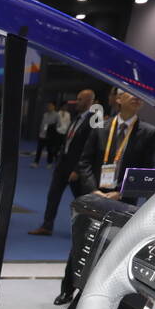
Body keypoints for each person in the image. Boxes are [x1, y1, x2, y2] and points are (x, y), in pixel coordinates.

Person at [54, 88, 155, 303]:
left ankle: (97, 295)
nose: (136, 97)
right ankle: (67, 288)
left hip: (123, 201)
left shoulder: (149, 132)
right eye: (130, 92)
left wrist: (121, 193)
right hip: (95, 197)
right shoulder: (100, 128)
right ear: (119, 99)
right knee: (82, 243)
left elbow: (145, 171)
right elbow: (84, 161)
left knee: (114, 248)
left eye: (140, 94)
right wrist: (94, 190)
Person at [28, 88, 98, 238]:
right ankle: (47, 226)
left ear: (88, 101)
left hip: (76, 169)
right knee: (53, 196)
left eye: (79, 99)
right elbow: (69, 141)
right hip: (62, 165)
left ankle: (85, 230)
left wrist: (78, 170)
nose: (76, 102)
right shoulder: (76, 118)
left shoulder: (93, 121)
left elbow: (87, 149)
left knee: (82, 201)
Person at [33, 101, 58, 167]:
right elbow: (42, 124)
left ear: (54, 107)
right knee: (39, 149)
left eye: (50, 106)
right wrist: (40, 132)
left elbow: (59, 125)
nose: (49, 107)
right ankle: (36, 162)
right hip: (42, 135)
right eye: (48, 106)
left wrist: (53, 132)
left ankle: (49, 163)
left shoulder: (57, 115)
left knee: (50, 150)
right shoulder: (45, 114)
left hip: (50, 136)